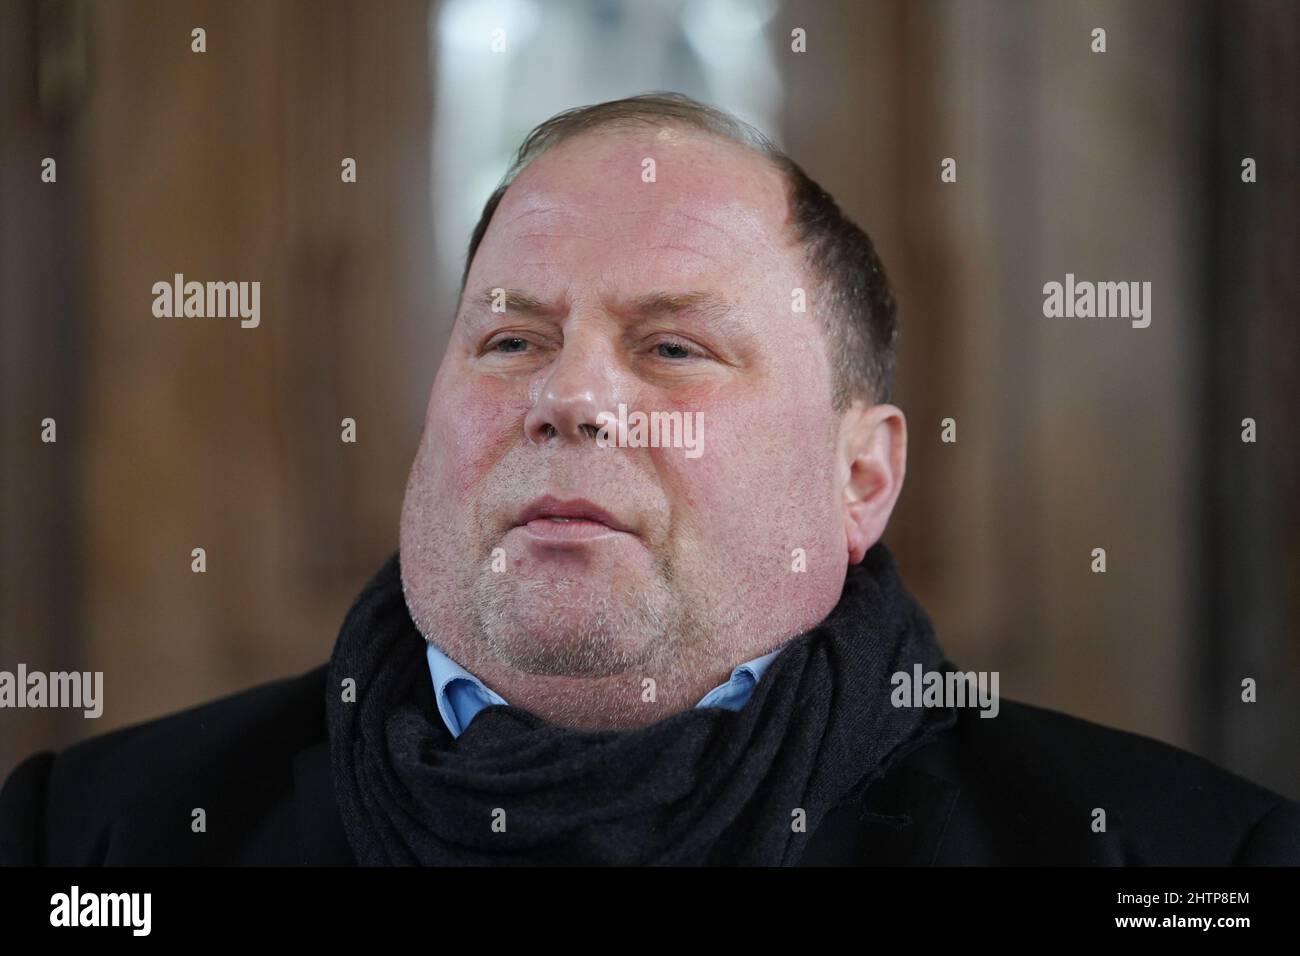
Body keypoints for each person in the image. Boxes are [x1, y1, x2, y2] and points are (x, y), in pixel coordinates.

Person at [1, 93, 1296, 866]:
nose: (568, 399)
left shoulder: (1181, 861)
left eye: (673, 347)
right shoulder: (88, 842)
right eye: (511, 340)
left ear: (862, 476)